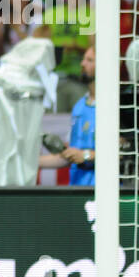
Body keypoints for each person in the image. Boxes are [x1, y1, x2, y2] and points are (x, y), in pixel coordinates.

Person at [40, 44, 97, 185]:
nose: (82, 64)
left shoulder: (114, 106)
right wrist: (29, 162)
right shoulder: (79, 106)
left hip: (103, 194)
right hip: (77, 189)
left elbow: (121, 153)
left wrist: (85, 155)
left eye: (90, 60)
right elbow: (69, 156)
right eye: (83, 59)